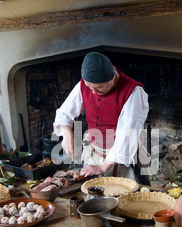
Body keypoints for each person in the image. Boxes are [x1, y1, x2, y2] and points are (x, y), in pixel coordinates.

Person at [53, 52, 150, 181]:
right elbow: (64, 113)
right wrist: (66, 132)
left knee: (126, 198)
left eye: (98, 88)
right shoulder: (85, 84)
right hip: (95, 154)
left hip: (121, 161)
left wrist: (102, 167)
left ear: (111, 79)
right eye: (89, 87)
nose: (93, 92)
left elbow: (127, 136)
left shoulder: (133, 93)